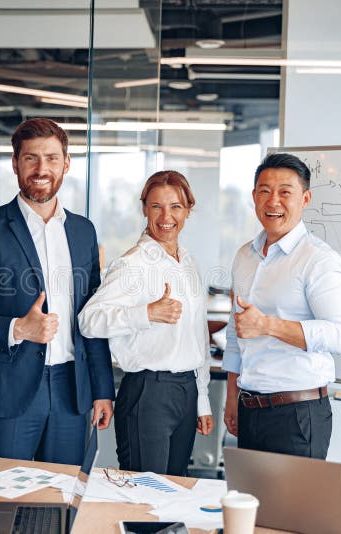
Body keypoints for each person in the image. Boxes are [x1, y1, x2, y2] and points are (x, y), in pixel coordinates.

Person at [0, 118, 114, 465]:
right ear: (15, 163)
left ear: (66, 164)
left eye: (52, 158)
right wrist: (18, 328)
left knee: (62, 491)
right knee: (5, 492)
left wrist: (102, 389)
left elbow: (93, 317)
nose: (42, 169)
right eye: (31, 158)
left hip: (71, 390)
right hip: (9, 387)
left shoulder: (83, 231)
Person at [78, 170, 214, 476]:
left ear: (188, 210)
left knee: (174, 489)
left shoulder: (188, 262)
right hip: (148, 392)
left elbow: (199, 336)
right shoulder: (132, 264)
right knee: (145, 493)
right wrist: (146, 313)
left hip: (187, 390)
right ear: (144, 210)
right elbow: (89, 320)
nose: (166, 217)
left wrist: (202, 400)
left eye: (175, 207)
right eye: (156, 207)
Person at [222, 152, 341, 459]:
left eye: (285, 192)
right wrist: (232, 397)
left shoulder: (319, 260)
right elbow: (236, 332)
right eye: (265, 191)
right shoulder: (244, 256)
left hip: (297, 414)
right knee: (249, 493)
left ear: (305, 199)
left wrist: (267, 325)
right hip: (249, 409)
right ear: (254, 196)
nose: (273, 201)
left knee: (293, 495)